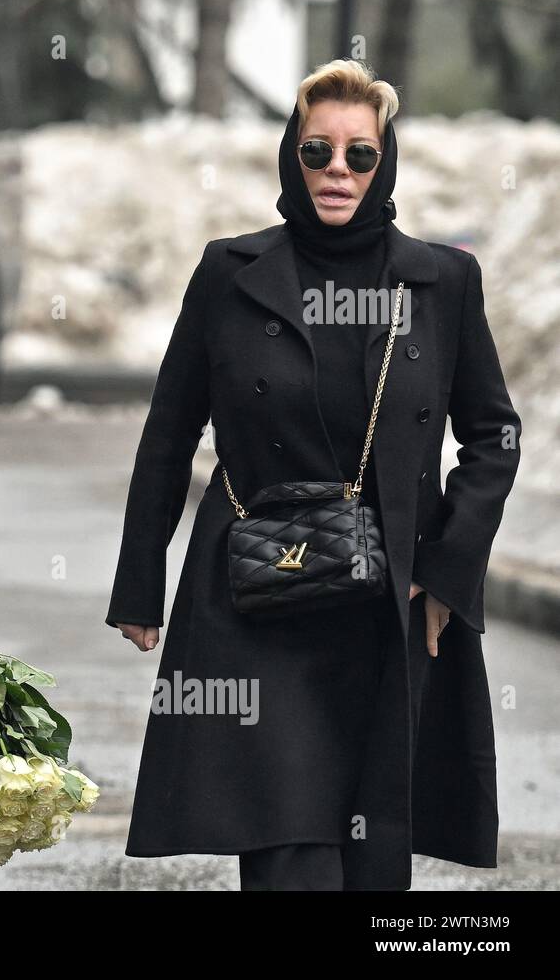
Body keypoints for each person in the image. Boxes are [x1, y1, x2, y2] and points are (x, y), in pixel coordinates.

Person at [105, 58, 522, 890]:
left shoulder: (440, 282)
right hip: (259, 599)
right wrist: (140, 580)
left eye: (359, 155)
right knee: (290, 856)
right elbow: (169, 430)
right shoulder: (230, 274)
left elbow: (494, 436)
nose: (338, 171)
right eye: (317, 151)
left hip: (388, 609)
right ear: (290, 159)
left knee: (373, 865)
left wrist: (447, 571)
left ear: (385, 162)